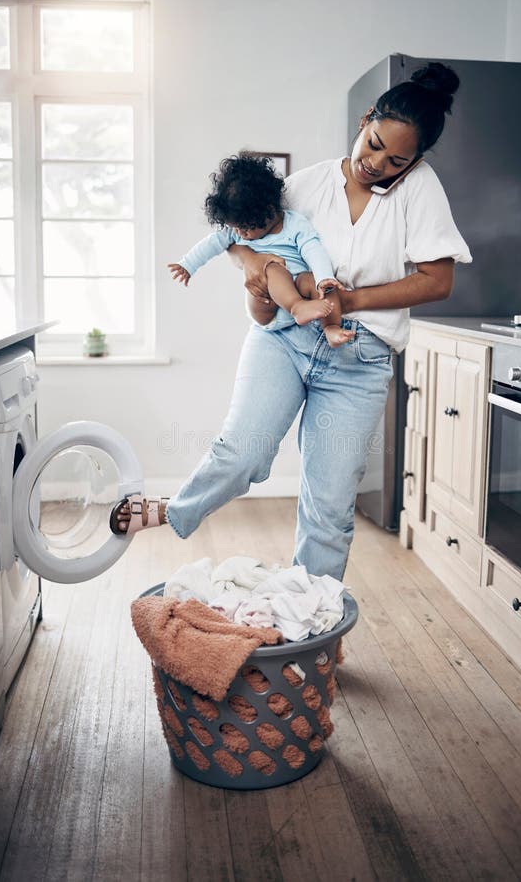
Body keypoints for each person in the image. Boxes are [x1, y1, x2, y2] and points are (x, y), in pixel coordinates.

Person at [110, 61, 472, 584]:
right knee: (242, 453)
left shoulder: (420, 188)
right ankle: (175, 509)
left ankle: (315, 625)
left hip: (360, 358)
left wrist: (350, 301)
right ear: (365, 119)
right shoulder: (306, 185)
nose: (377, 164)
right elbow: (240, 236)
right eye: (373, 144)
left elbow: (438, 280)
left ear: (414, 162)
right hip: (283, 338)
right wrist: (255, 268)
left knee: (328, 506)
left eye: (397, 160)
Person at [167, 151, 354, 348]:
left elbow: (313, 249)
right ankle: (297, 307)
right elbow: (211, 244)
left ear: (269, 210)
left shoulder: (295, 224)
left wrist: (324, 276)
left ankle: (331, 327)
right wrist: (188, 264)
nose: (240, 233)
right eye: (235, 228)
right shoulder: (236, 231)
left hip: (299, 290)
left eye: (246, 227)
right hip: (265, 304)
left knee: (320, 283)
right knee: (271, 266)